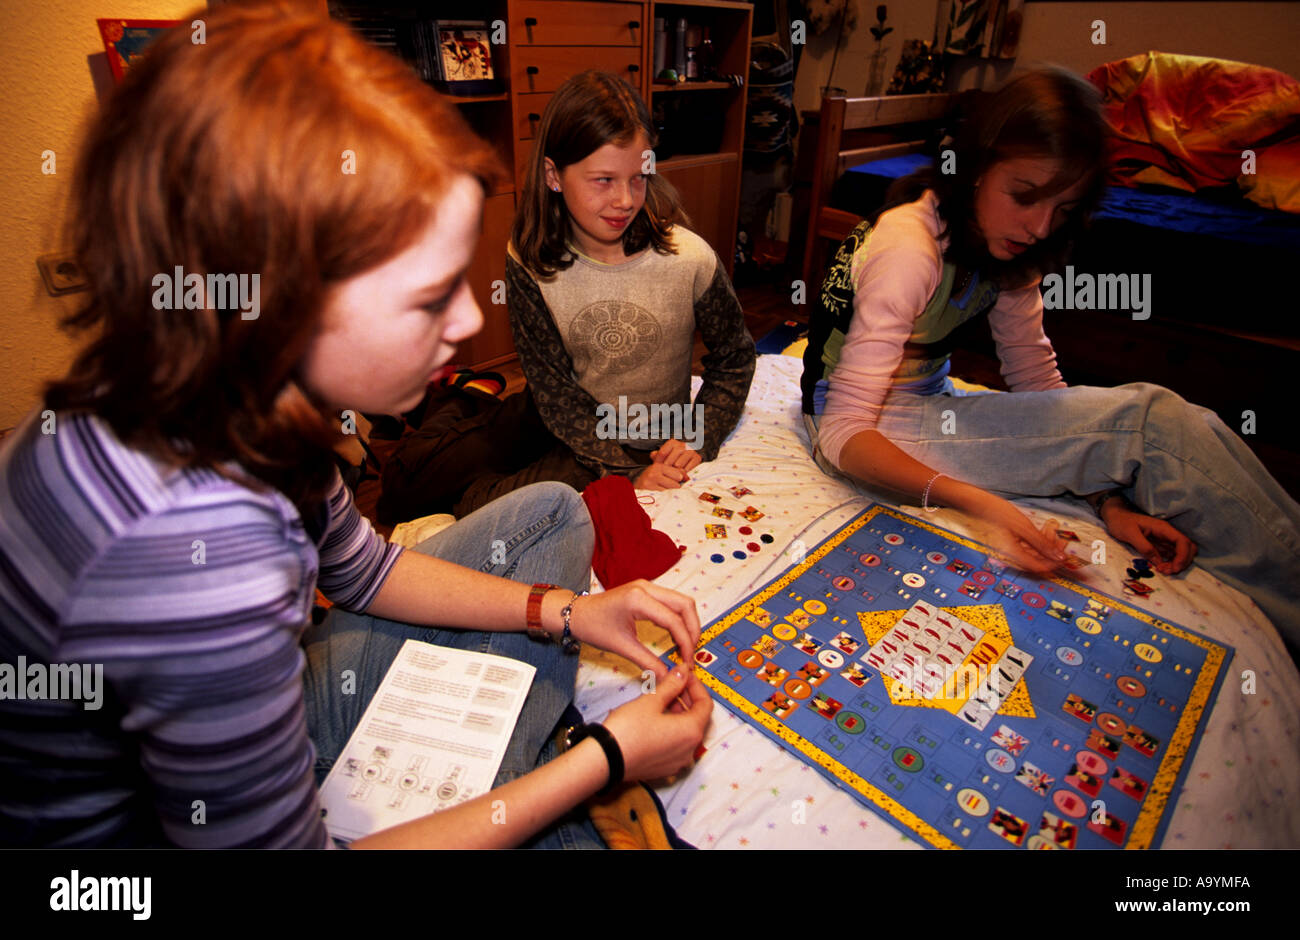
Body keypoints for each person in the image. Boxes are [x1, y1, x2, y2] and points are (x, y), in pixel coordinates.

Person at [0, 3, 711, 850]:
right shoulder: (195, 549)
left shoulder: (235, 397)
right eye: (426, 296)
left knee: (556, 511)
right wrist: (603, 758)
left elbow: (365, 569)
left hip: (263, 706)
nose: (463, 323)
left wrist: (569, 614)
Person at [801, 68, 1300, 650]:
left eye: (1062, 209)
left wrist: (1104, 497)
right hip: (865, 424)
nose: (1040, 226)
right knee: (1149, 423)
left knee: (1157, 427)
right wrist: (984, 506)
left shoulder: (1006, 243)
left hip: (923, 404)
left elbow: (1039, 387)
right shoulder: (909, 248)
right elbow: (839, 429)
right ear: (978, 168)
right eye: (1025, 195)